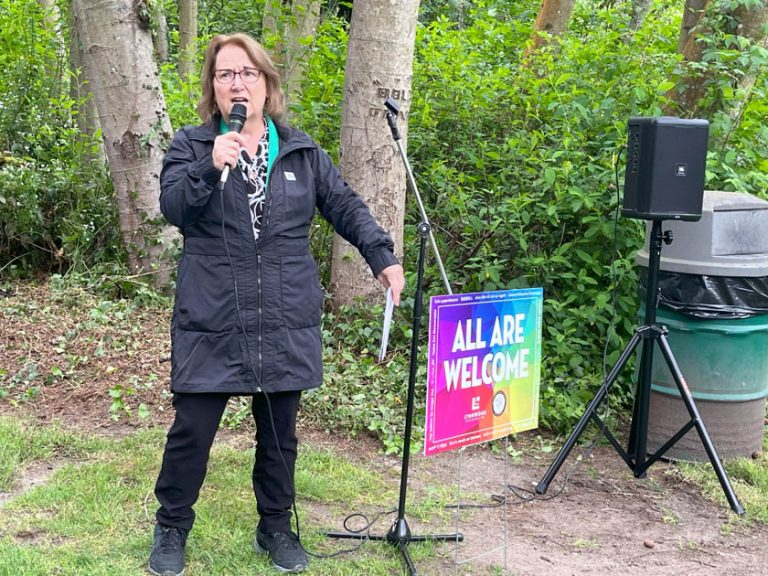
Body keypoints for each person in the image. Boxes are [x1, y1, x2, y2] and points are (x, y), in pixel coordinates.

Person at [149, 32, 405, 576]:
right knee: (192, 429)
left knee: (279, 432)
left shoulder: (301, 150)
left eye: (247, 73)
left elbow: (344, 205)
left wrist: (382, 256)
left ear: (266, 83)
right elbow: (173, 207)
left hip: (284, 313)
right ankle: (171, 527)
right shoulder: (193, 146)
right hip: (211, 313)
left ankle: (275, 527)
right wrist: (209, 165)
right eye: (224, 75)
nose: (236, 83)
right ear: (213, 88)